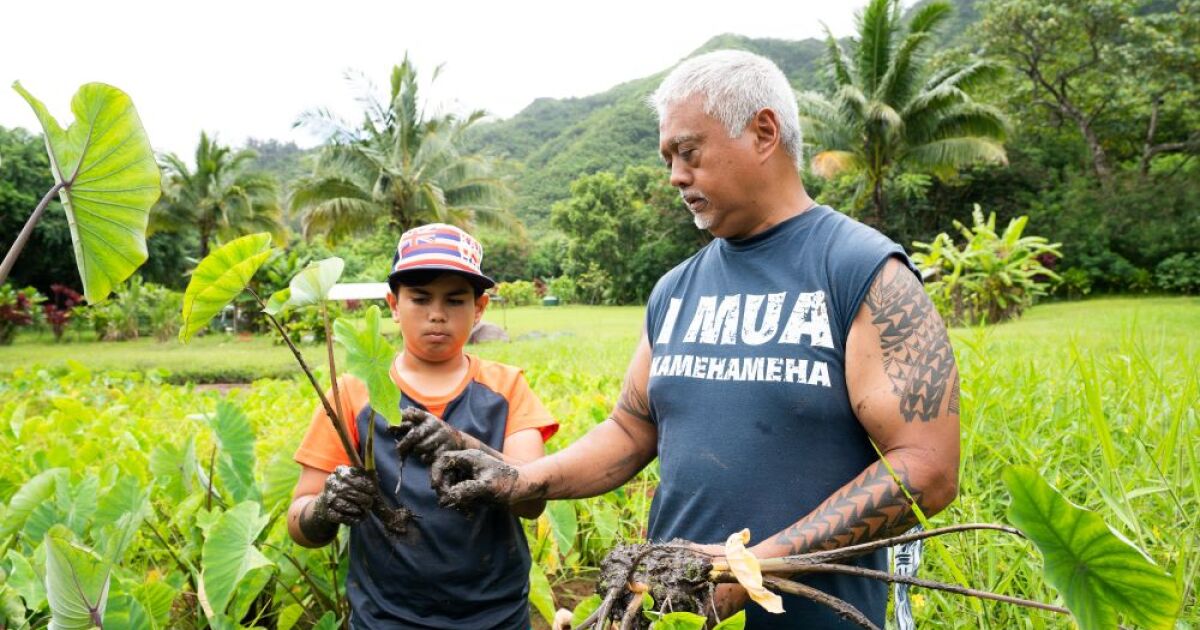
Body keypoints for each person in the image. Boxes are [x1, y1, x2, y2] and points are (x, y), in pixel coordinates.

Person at [430, 50, 960, 629]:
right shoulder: (676, 289)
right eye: (668, 158)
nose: (675, 175)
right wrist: (525, 477)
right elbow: (633, 428)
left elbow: (928, 469)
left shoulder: (859, 271)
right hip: (675, 617)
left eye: (688, 152)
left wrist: (747, 569)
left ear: (763, 133)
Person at [285, 223, 559, 628]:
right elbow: (299, 522)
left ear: (479, 308)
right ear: (393, 304)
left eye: (454, 300)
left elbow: (532, 500)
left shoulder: (506, 387)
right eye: (420, 298)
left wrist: (462, 445)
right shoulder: (354, 392)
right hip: (386, 617)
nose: (436, 314)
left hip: (494, 615)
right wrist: (325, 509)